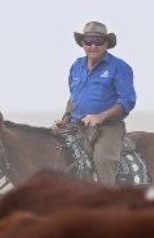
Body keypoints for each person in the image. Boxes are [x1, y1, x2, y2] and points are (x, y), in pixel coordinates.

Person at [53, 21, 137, 184]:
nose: (93, 46)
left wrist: (100, 117)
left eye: (98, 42)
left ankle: (107, 202)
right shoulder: (76, 66)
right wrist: (64, 119)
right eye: (88, 42)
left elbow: (127, 101)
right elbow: (73, 97)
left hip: (107, 128)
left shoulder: (119, 67)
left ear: (106, 44)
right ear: (82, 44)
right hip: (76, 125)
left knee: (103, 159)